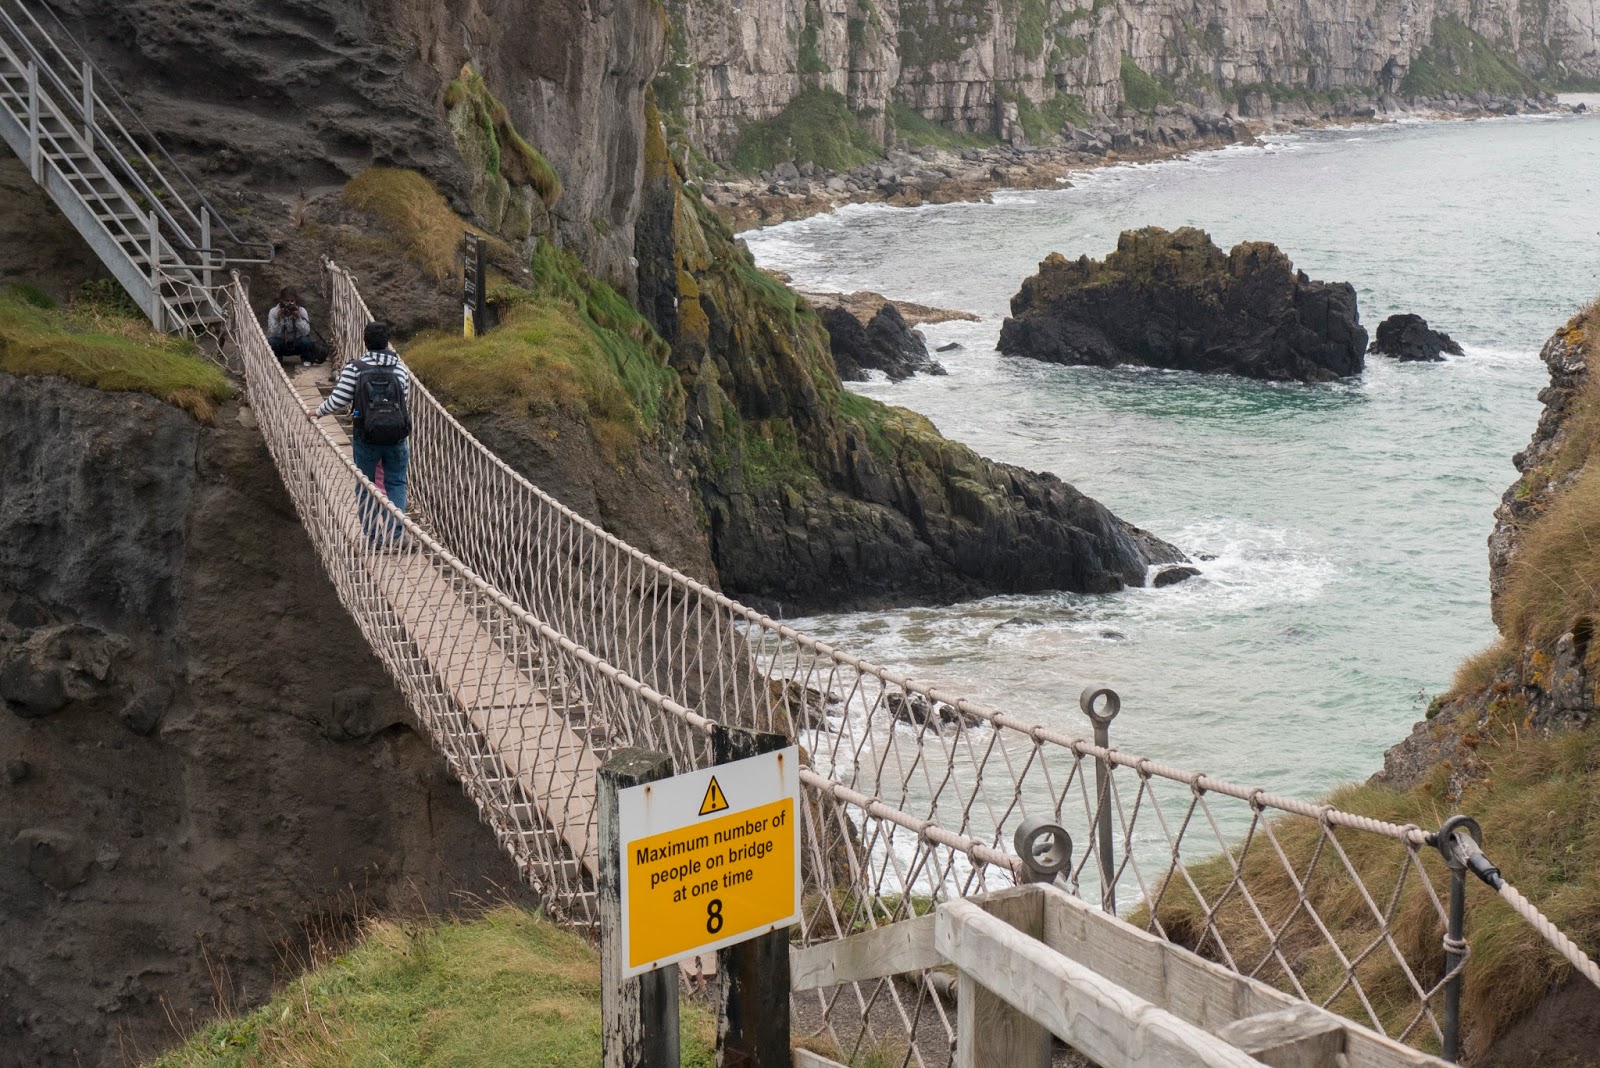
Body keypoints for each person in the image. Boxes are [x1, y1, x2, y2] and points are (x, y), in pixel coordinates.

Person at [308, 322, 412, 547]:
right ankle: (396, 536)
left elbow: (339, 399)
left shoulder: (355, 368)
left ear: (365, 343)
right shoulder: (401, 368)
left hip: (366, 436)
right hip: (396, 436)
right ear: (387, 342)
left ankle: (373, 538)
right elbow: (404, 399)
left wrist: (317, 412)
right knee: (396, 483)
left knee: (366, 484)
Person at [266, 288, 322, 365]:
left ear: (296, 301)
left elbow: (306, 332)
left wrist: (298, 319)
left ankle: (306, 360)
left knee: (306, 340)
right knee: (271, 341)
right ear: (282, 300)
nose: (289, 303)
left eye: (292, 301)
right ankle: (277, 359)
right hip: (282, 343)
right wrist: (278, 320)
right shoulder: (273, 312)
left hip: (296, 343)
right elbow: (272, 333)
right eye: (287, 300)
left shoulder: (301, 311)